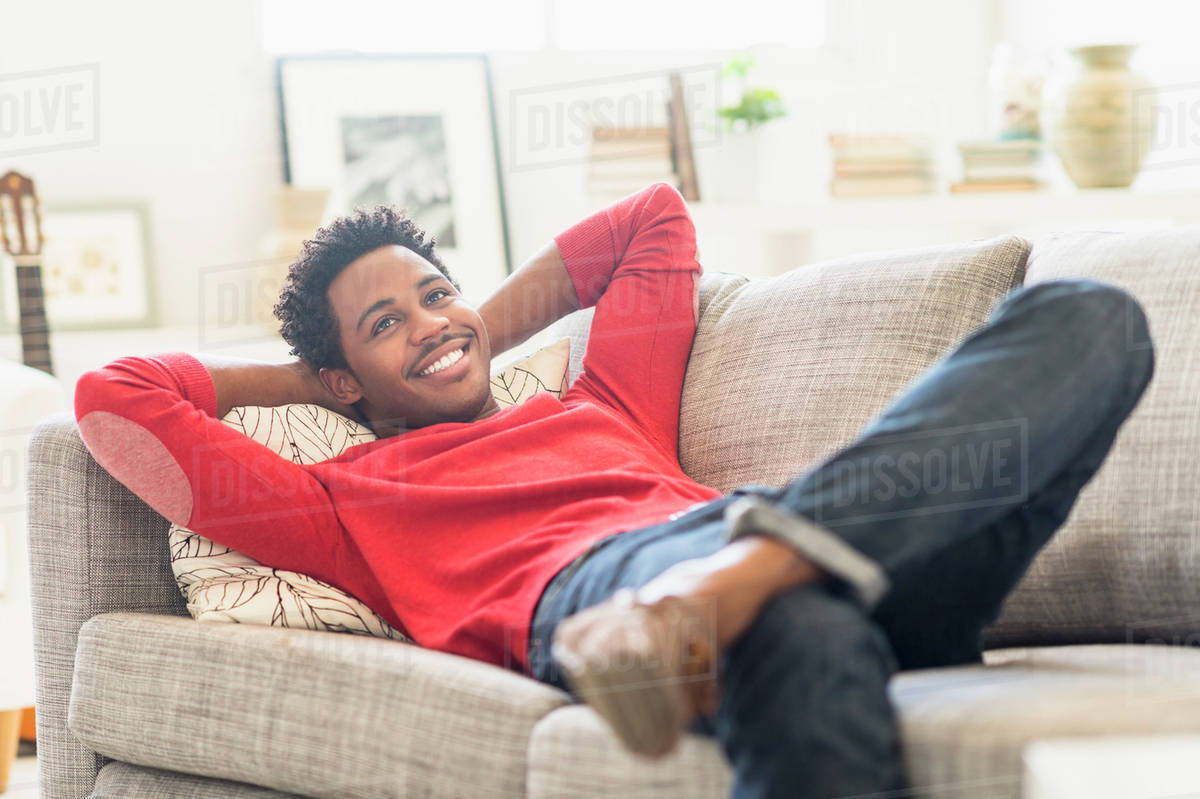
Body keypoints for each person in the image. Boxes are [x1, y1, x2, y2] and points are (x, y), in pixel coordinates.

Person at [73, 182, 1155, 799]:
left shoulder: (603, 404)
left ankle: (752, 571)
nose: (431, 322)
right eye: (385, 322)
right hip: (616, 599)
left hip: (779, 561)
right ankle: (753, 585)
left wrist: (464, 328)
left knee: (1092, 319)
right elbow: (113, 397)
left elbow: (652, 219)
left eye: (434, 294)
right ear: (344, 375)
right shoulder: (336, 503)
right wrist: (323, 387)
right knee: (800, 637)